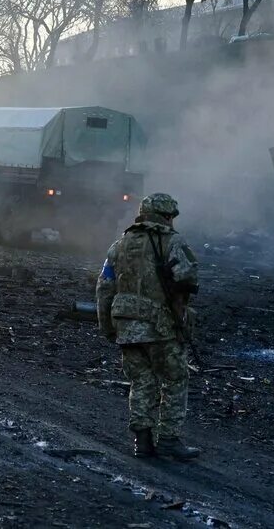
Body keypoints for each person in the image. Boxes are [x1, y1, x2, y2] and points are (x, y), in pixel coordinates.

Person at [96, 193, 201, 460]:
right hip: (159, 325)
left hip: (126, 325)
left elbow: (104, 287)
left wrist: (107, 325)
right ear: (166, 216)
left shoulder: (118, 245)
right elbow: (188, 278)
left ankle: (142, 442)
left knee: (141, 381)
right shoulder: (173, 242)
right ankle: (168, 440)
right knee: (175, 379)